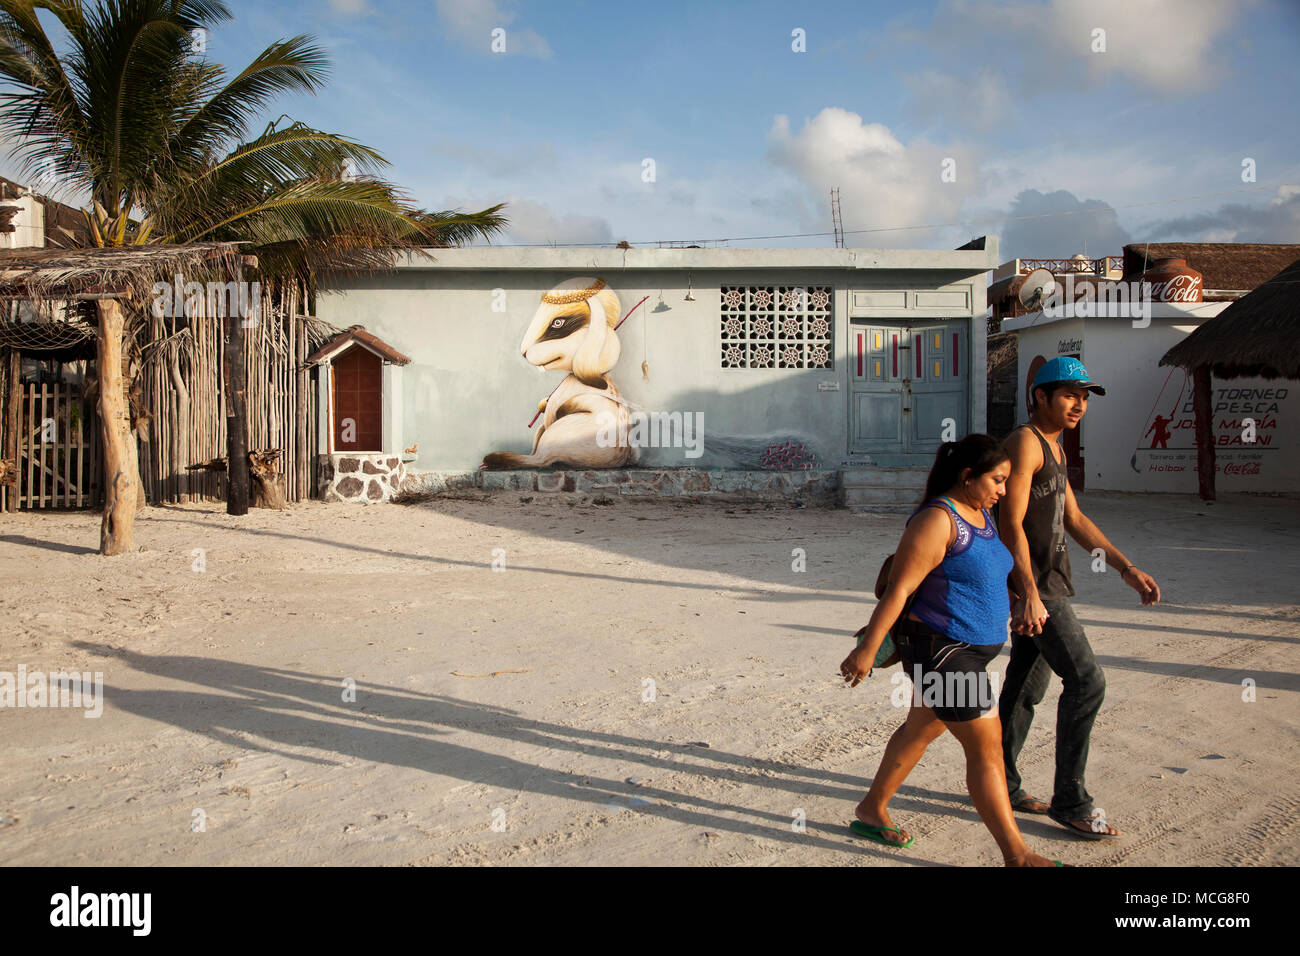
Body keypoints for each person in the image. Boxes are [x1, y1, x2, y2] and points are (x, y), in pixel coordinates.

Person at [840, 434, 1063, 867]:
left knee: (920, 730)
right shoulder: (937, 520)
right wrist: (867, 650)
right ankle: (1017, 855)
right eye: (997, 480)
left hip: (973, 650)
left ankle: (871, 809)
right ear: (967, 477)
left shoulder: (981, 515)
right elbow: (900, 590)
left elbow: (985, 575)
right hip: (943, 651)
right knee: (987, 748)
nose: (1003, 490)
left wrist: (1016, 603)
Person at [997, 356, 1161, 840]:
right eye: (1069, 394)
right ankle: (1071, 800)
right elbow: (1010, 522)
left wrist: (1125, 567)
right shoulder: (1025, 444)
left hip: (1049, 582)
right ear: (1040, 397)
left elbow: (1075, 518)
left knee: (1025, 689)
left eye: (1085, 397)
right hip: (1036, 586)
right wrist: (1027, 592)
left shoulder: (1056, 447)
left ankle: (1000, 783)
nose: (1079, 404)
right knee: (1087, 681)